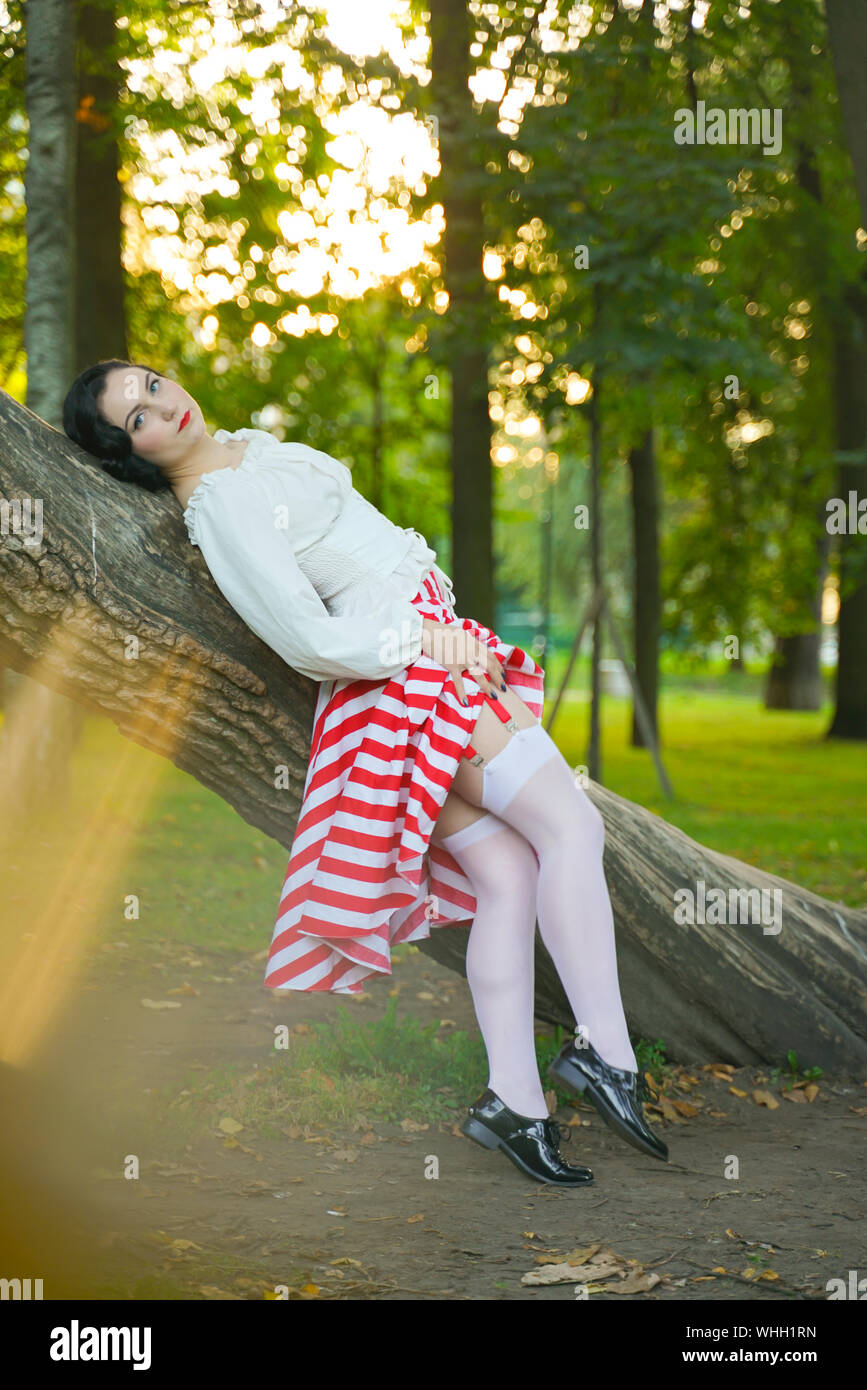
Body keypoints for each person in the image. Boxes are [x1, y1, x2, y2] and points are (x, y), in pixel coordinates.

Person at [62, 357, 668, 1188]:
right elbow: (306, 639)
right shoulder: (223, 505)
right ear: (131, 454)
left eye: (154, 386)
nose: (163, 408)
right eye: (136, 419)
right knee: (571, 827)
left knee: (508, 875)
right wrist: (427, 642)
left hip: (410, 668)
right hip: (407, 672)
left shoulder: (248, 454)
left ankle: (513, 1104)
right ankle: (604, 1051)